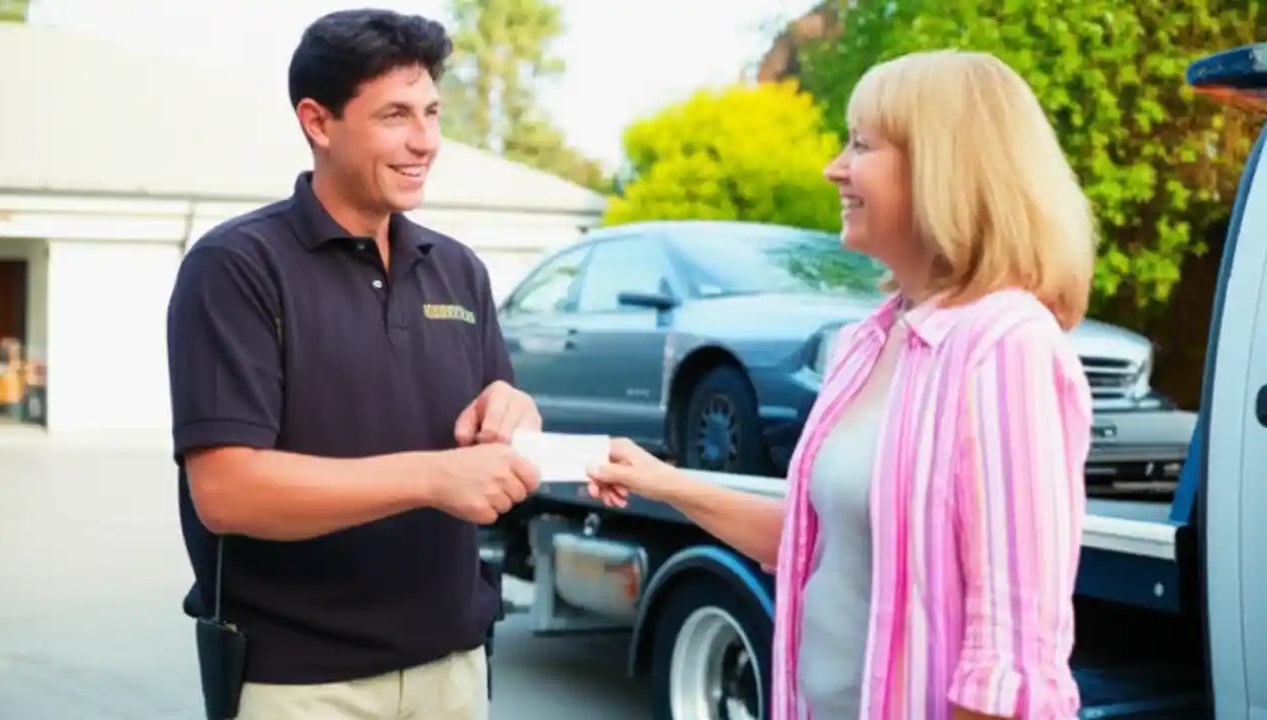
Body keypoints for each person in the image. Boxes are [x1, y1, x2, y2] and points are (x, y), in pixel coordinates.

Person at [587, 48, 1096, 720]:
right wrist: (663, 481)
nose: (834, 168)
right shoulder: (868, 341)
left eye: (861, 144)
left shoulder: (1006, 345)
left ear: (941, 167)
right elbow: (816, 540)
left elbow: (1008, 664)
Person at [165, 10, 541, 720]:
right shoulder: (238, 267)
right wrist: (434, 478)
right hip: (303, 684)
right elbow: (227, 491)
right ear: (318, 121)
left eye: (432, 112)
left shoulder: (458, 269)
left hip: (455, 668)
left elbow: (501, 423)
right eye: (395, 115)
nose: (425, 141)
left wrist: (517, 413)